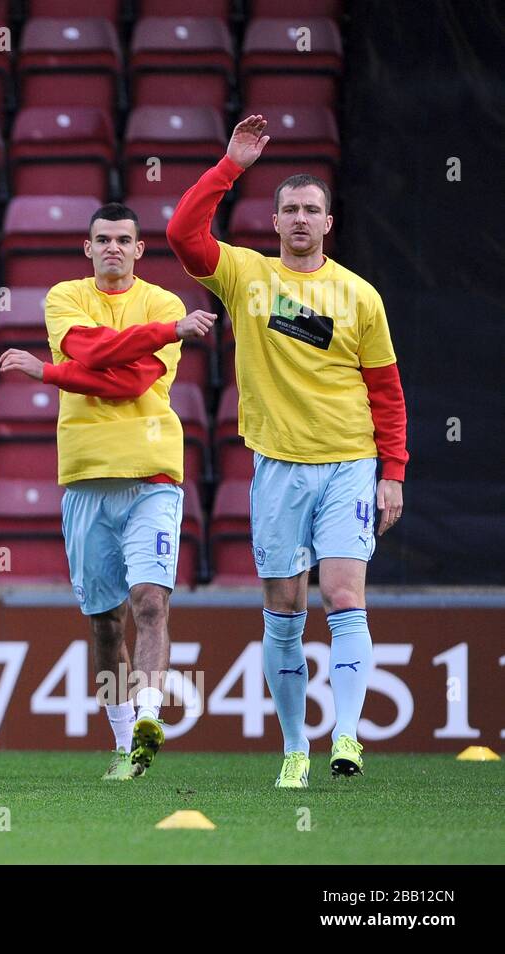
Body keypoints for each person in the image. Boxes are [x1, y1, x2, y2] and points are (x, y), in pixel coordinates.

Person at [167, 115, 409, 788]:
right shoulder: (246, 275)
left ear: (329, 225)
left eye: (312, 210)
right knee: (284, 608)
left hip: (348, 464)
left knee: (342, 591)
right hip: (277, 466)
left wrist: (392, 474)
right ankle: (295, 748)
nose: (301, 219)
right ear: (273, 223)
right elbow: (182, 235)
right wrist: (230, 165)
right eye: (291, 210)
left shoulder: (360, 296)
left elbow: (387, 395)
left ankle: (348, 737)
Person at [0, 202, 214, 779]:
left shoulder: (165, 304)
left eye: (124, 239)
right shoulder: (64, 297)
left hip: (152, 474)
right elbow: (93, 355)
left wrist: (46, 372)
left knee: (149, 600)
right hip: (87, 477)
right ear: (87, 248)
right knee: (103, 623)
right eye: (103, 239)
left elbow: (136, 379)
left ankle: (146, 725)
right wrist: (151, 339)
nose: (114, 247)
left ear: (140, 250)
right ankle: (121, 745)